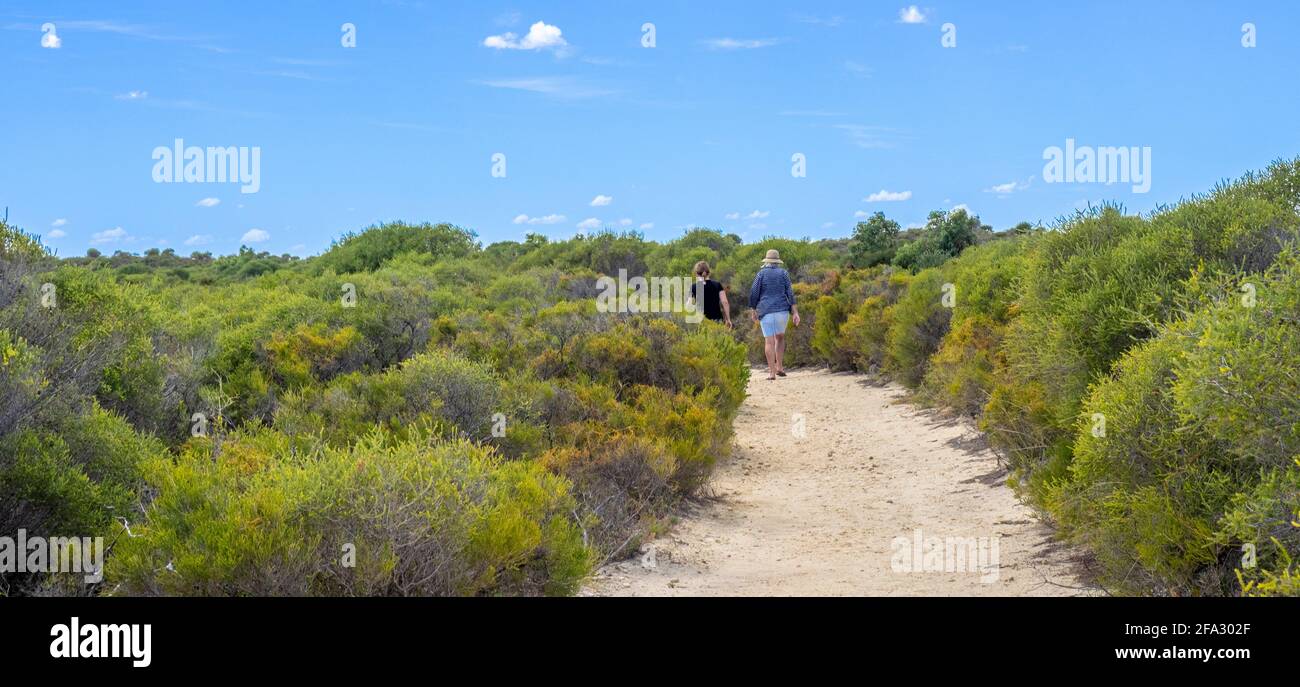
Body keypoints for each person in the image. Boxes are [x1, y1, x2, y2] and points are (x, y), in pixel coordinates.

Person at [748, 249, 800, 381]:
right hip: (782, 310)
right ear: (777, 262)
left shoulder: (761, 274)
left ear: (766, 261)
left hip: (766, 311)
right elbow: (790, 293)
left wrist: (753, 309)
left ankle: (771, 373)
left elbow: (754, 292)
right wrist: (795, 312)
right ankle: (780, 368)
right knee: (780, 338)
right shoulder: (784, 273)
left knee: (769, 341)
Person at [688, 261, 732, 328]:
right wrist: (728, 319)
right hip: (717, 321)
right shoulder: (717, 285)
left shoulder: (693, 287)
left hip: (701, 322)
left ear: (696, 273)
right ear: (709, 272)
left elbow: (689, 305)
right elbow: (725, 302)